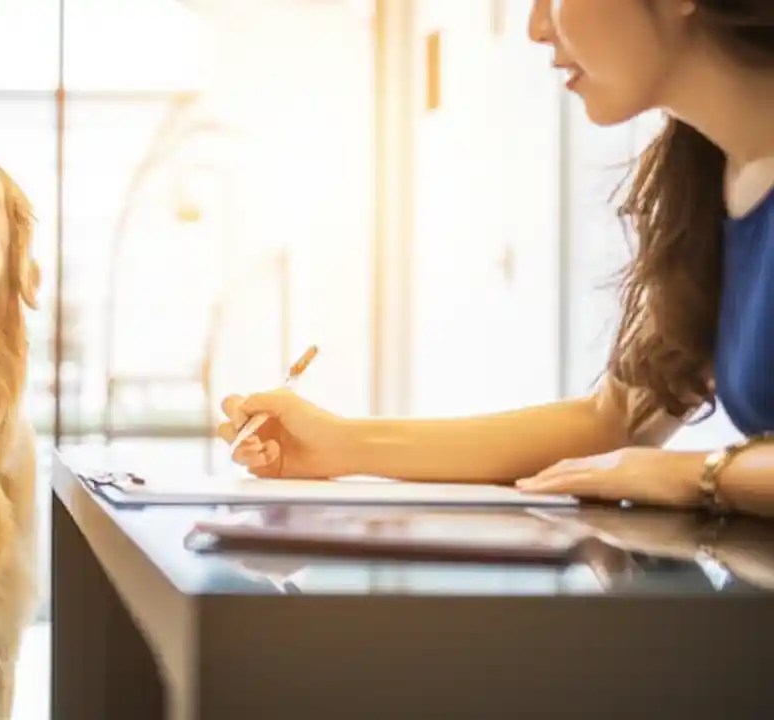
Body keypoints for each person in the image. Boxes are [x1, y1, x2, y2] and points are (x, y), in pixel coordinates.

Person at [217, 0, 774, 518]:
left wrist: (695, 476)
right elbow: (611, 422)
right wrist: (339, 445)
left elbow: (632, 450)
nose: (536, 27)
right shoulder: (705, 177)